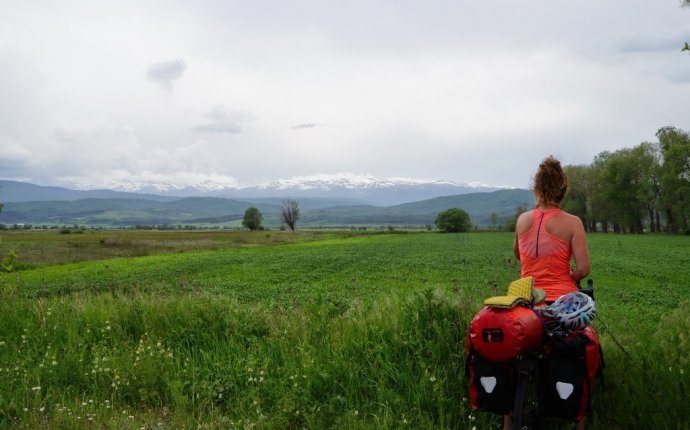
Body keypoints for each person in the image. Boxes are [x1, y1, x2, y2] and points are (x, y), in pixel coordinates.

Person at [507, 155, 590, 430]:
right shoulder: (572, 222)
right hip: (560, 303)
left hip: (526, 301)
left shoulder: (522, 220)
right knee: (584, 347)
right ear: (563, 189)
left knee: (513, 351)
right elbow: (584, 268)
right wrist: (570, 277)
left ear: (536, 188)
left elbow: (519, 255)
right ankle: (578, 419)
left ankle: (508, 421)